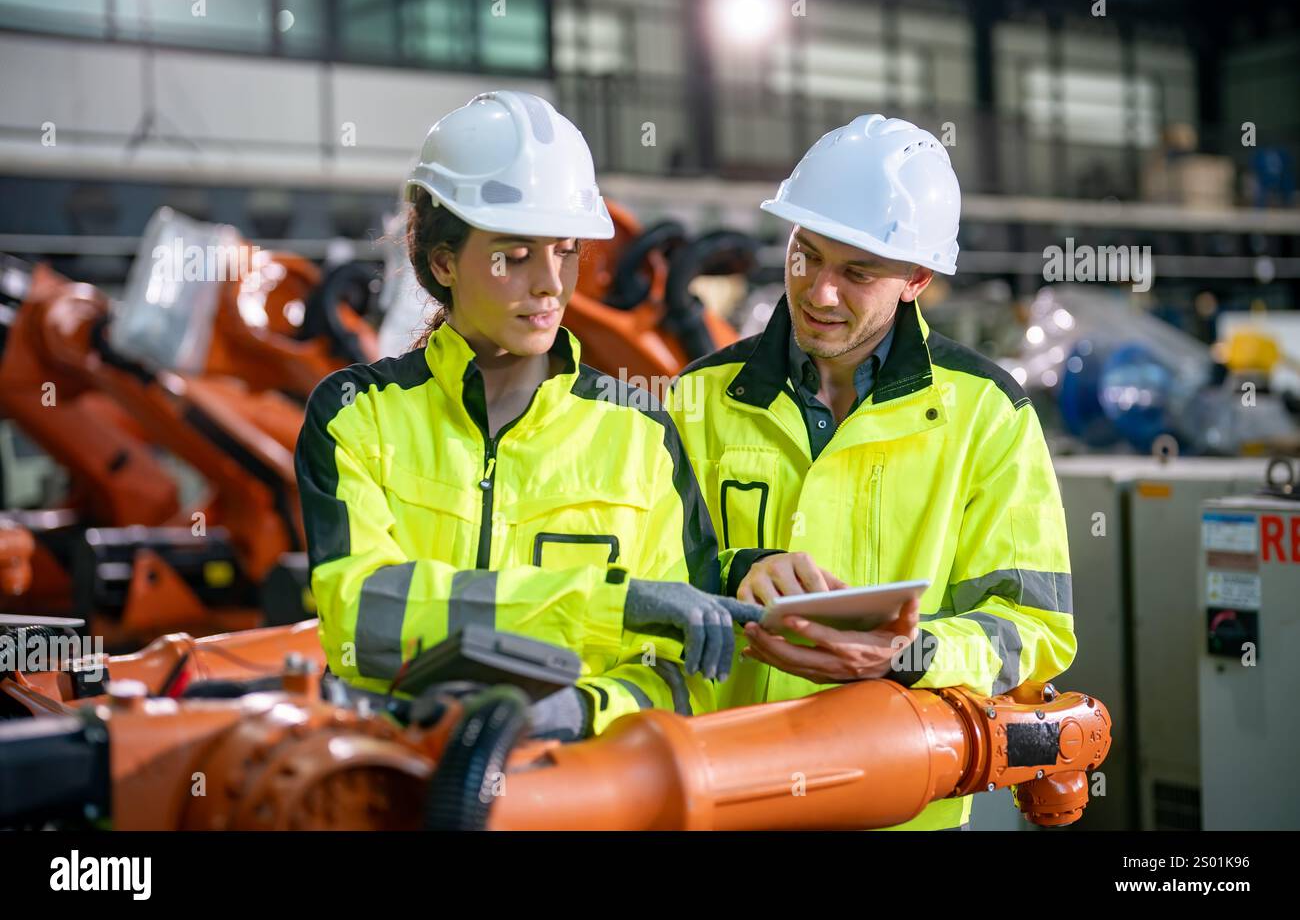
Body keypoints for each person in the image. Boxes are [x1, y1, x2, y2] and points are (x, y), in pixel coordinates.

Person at [295, 91, 760, 741]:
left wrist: (578, 711)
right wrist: (607, 605)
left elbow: (686, 673)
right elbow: (361, 621)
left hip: (578, 798)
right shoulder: (356, 416)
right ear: (443, 261)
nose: (549, 283)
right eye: (514, 255)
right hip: (399, 783)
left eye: (566, 250)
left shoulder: (640, 433)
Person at [668, 114, 1075, 829]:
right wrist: (735, 571)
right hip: (721, 795)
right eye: (807, 256)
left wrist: (911, 653)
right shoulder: (695, 398)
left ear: (917, 278)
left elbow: (1034, 626)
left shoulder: (986, 415)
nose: (820, 292)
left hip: (896, 810)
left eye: (857, 272)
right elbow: (639, 583)